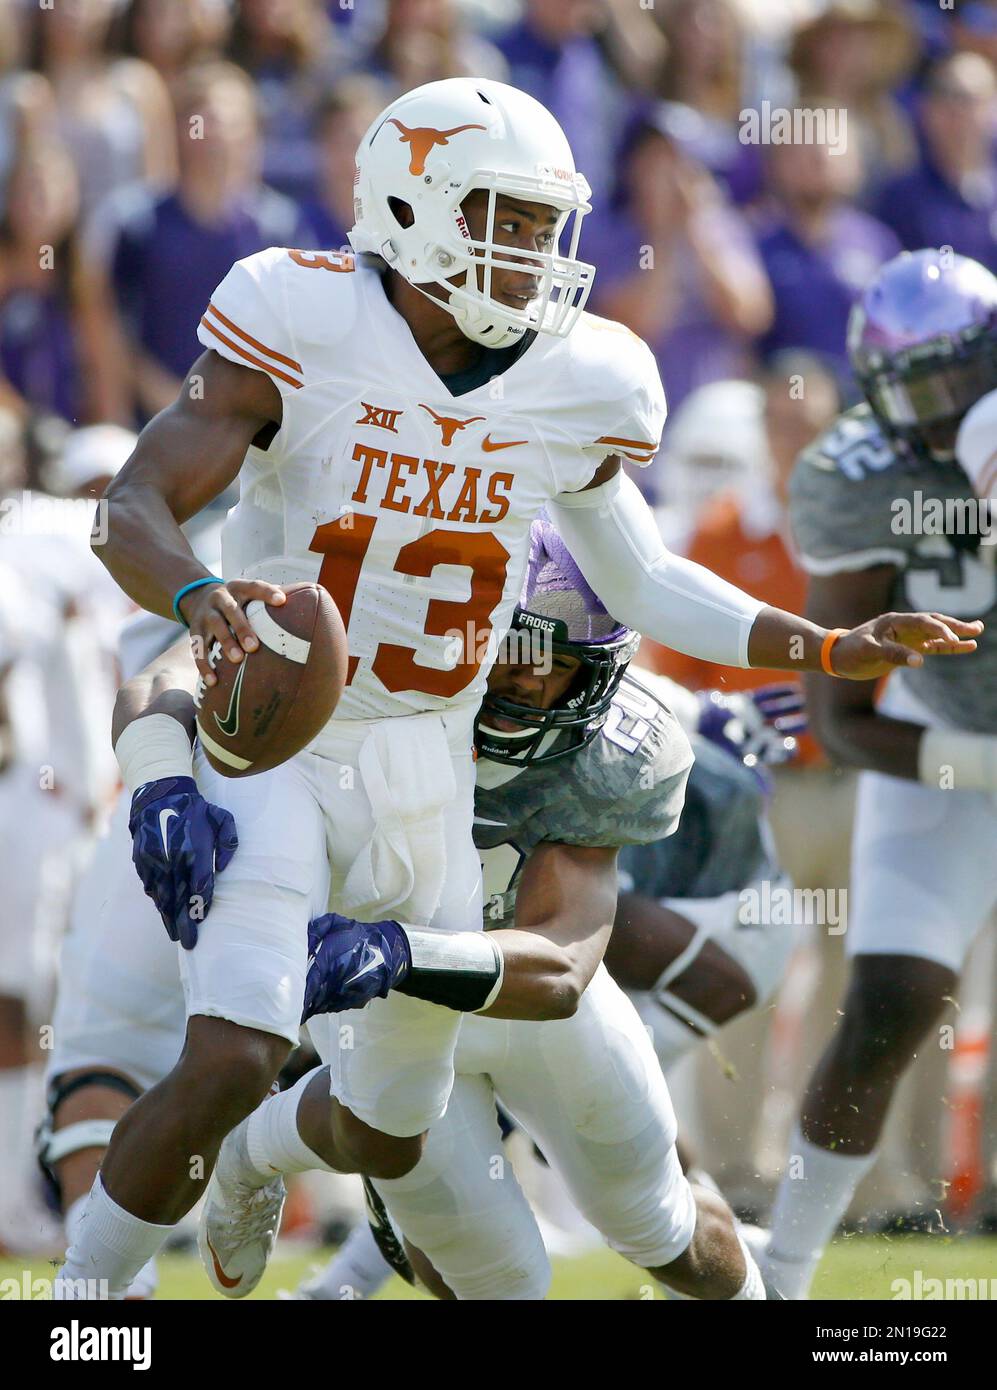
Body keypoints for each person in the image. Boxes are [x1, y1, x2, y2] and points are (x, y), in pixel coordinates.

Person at [63, 76, 980, 1302]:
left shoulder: (578, 377)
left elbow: (645, 578)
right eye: (501, 215)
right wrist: (193, 595)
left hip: (431, 763)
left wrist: (822, 645)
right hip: (287, 736)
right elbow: (133, 505)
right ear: (409, 202)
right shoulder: (304, 316)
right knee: (238, 1042)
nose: (533, 252)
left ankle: (255, 1161)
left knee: (390, 1122)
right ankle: (78, 1310)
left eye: (547, 223)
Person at [760, 248, 997, 1299]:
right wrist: (975, 761)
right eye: (924, 393)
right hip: (942, 747)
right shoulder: (854, 479)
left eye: (963, 383)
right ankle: (785, 1267)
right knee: (891, 1000)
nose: (948, 415)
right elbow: (838, 716)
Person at [873, 52, 997, 279]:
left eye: (968, 99)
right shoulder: (899, 197)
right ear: (925, 109)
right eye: (944, 96)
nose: (957, 112)